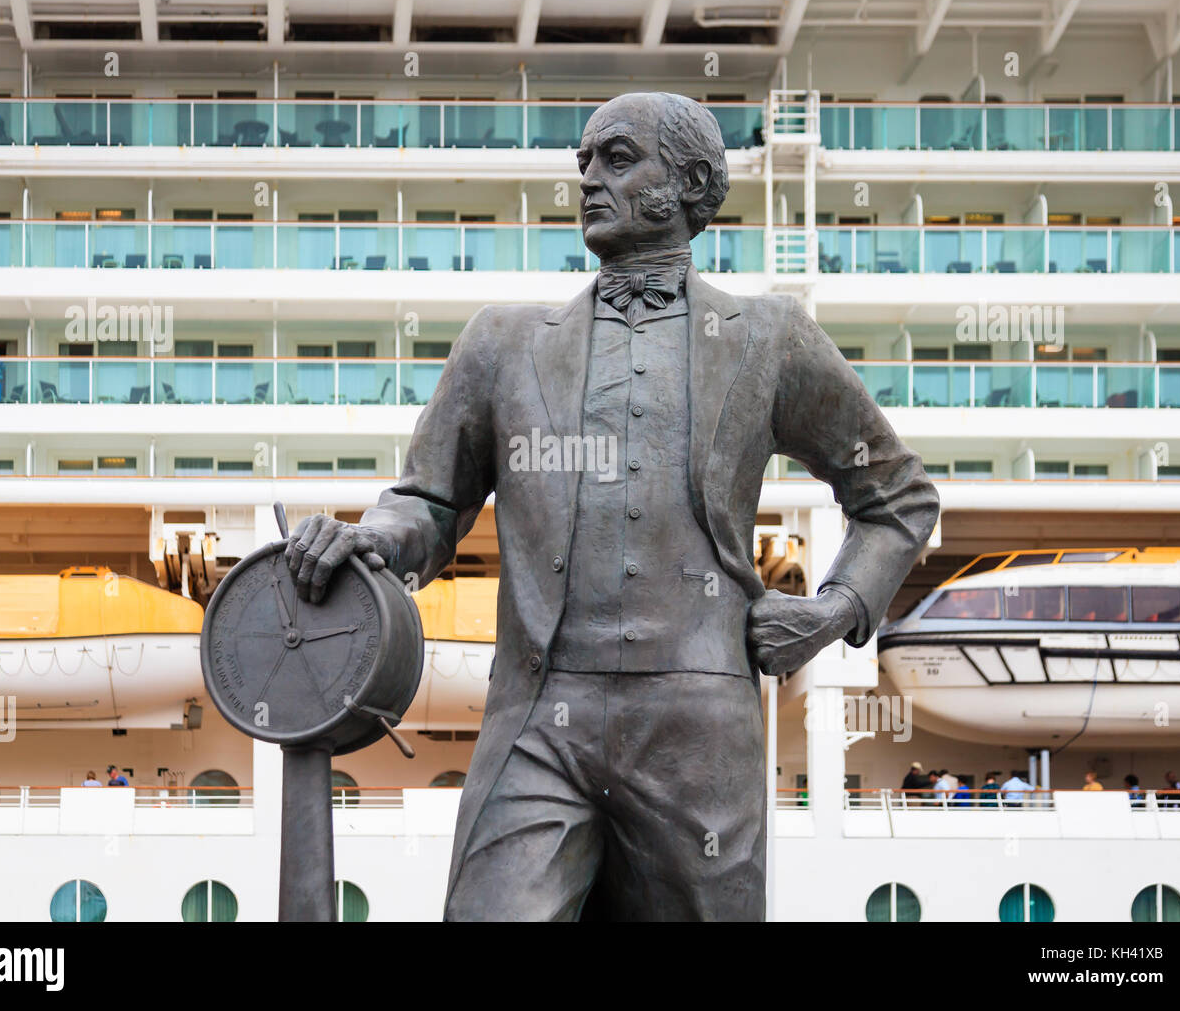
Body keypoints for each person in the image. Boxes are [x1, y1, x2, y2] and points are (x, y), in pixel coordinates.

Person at [283, 91, 941, 922]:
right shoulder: (501, 342)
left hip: (700, 727)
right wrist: (371, 539)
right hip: (536, 724)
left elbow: (896, 496)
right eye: (584, 162)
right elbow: (429, 502)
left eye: (617, 159)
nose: (588, 179)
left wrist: (835, 609)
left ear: (693, 181)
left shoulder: (770, 339)